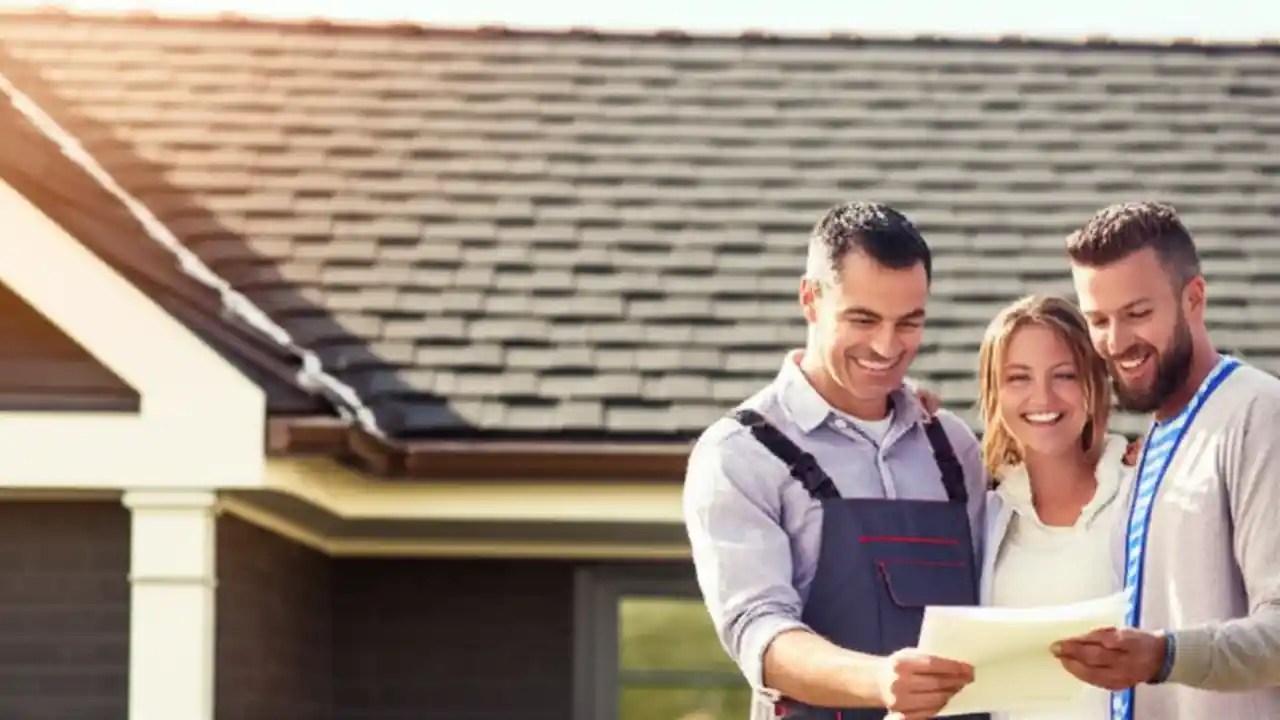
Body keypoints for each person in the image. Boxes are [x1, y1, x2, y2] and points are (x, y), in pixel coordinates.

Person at [683, 201, 989, 720]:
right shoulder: (741, 454)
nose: (886, 347)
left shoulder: (953, 447)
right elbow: (759, 633)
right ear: (810, 299)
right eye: (863, 319)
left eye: (908, 323)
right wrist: (879, 681)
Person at [1049, 201, 1280, 719]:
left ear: (1193, 298)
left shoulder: (1260, 415)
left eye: (1137, 314)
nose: (1116, 342)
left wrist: (1164, 656)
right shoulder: (1151, 445)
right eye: (1098, 320)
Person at [973, 294, 1135, 720]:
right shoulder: (984, 512)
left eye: (1064, 375)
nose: (1042, 397)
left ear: (1094, 384)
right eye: (1018, 378)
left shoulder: (1140, 496)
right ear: (994, 393)